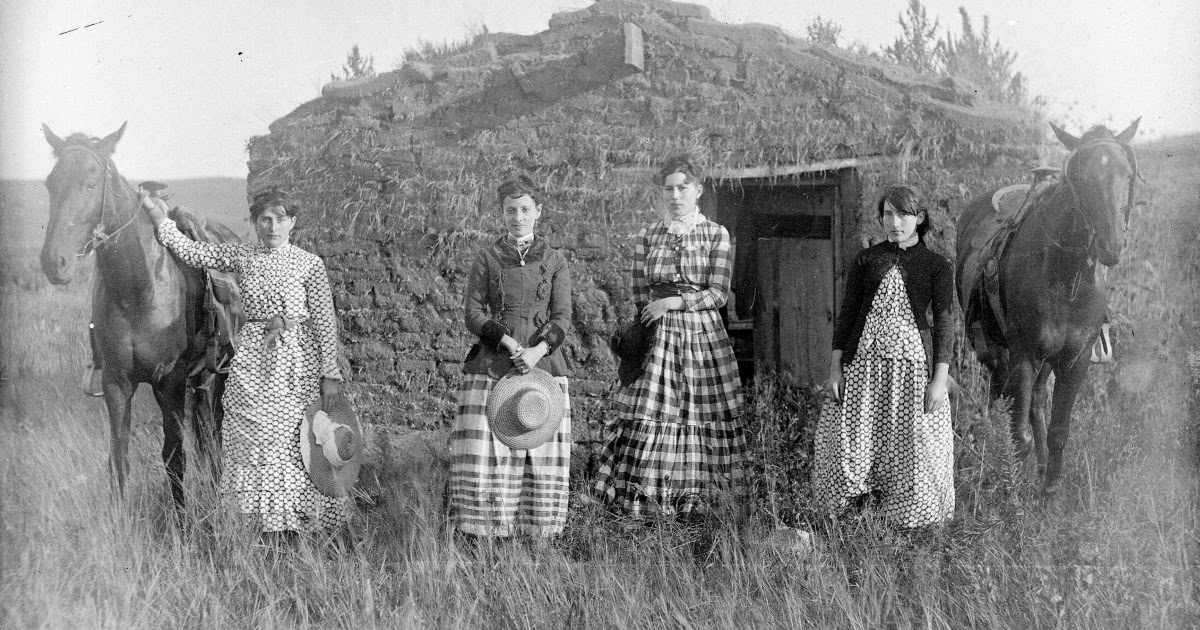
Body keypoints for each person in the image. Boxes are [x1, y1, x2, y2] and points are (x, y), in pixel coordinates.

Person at [140, 188, 348, 539]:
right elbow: (193, 252)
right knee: (252, 438)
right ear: (255, 222)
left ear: (293, 222)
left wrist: (330, 374)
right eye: (265, 219)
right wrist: (158, 217)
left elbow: (325, 323)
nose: (272, 226)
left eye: (281, 219)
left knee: (293, 441)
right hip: (252, 362)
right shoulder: (242, 255)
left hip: (297, 363)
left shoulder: (309, 264)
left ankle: (299, 522)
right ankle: (262, 524)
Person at [592, 156, 746, 520]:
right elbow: (637, 288)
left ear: (698, 190)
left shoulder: (715, 234)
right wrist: (653, 313)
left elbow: (719, 293)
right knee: (651, 412)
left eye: (683, 188)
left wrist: (676, 302)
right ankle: (646, 503)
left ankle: (698, 506)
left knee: (696, 412)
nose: (675, 196)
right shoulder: (649, 234)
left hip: (701, 337)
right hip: (656, 338)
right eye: (668, 189)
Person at [814, 184, 956, 528]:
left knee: (913, 452)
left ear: (919, 218)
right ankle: (852, 522)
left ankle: (907, 527)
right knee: (853, 448)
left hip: (912, 374)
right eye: (888, 215)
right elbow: (847, 315)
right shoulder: (867, 260)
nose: (895, 223)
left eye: (903, 215)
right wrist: (836, 368)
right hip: (864, 371)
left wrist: (939, 380)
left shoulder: (936, 265)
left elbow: (945, 323)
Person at [449, 177, 573, 539]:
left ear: (538, 212)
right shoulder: (488, 257)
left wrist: (536, 351)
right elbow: (472, 312)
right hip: (494, 363)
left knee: (535, 441)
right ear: (501, 213)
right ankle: (484, 533)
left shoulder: (554, 260)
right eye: (509, 210)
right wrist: (505, 341)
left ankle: (536, 535)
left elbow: (562, 316)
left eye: (524, 210)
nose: (517, 217)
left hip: (541, 365)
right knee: (487, 452)